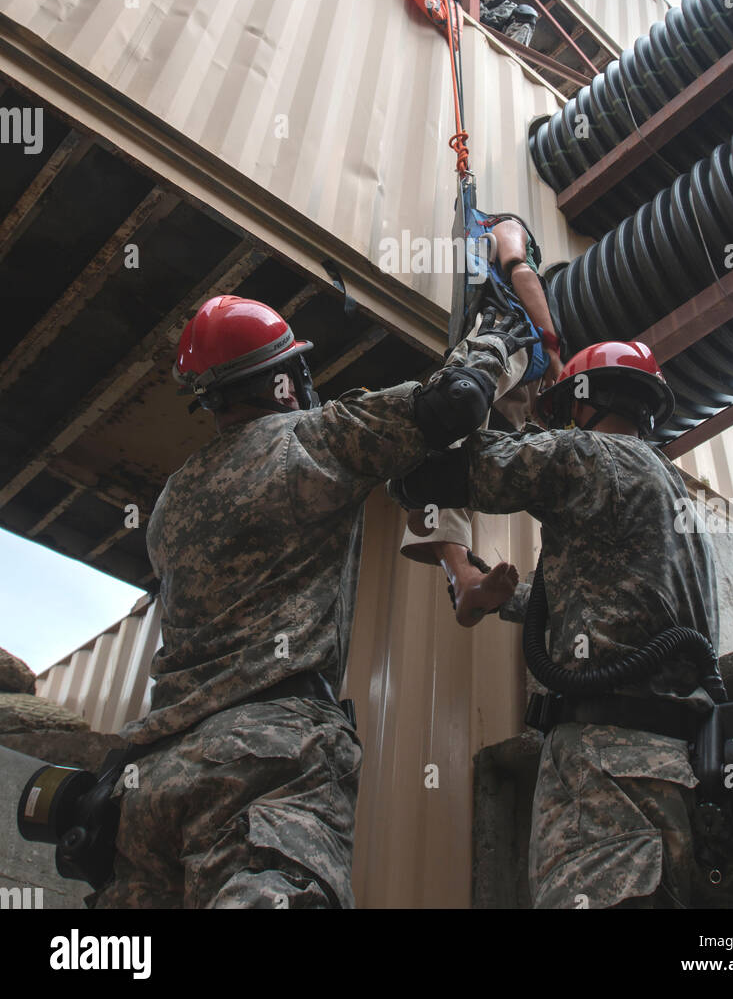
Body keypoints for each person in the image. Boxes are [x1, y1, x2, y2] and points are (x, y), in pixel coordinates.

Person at [88, 293, 528, 909]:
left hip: (153, 775)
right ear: (282, 385)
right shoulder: (312, 441)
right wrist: (498, 340)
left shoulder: (170, 500)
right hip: (266, 757)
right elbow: (454, 402)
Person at [390, 340, 733, 910]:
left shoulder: (591, 457)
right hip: (692, 783)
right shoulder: (665, 490)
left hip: (611, 776)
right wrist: (490, 592)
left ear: (584, 404)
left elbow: (446, 471)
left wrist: (438, 407)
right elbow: (594, 597)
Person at [399, 212, 563, 625]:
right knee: (460, 432)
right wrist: (554, 345)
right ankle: (464, 575)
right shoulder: (508, 230)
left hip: (508, 354)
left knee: (456, 449)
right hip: (509, 341)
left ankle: (462, 575)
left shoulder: (477, 257)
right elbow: (521, 271)